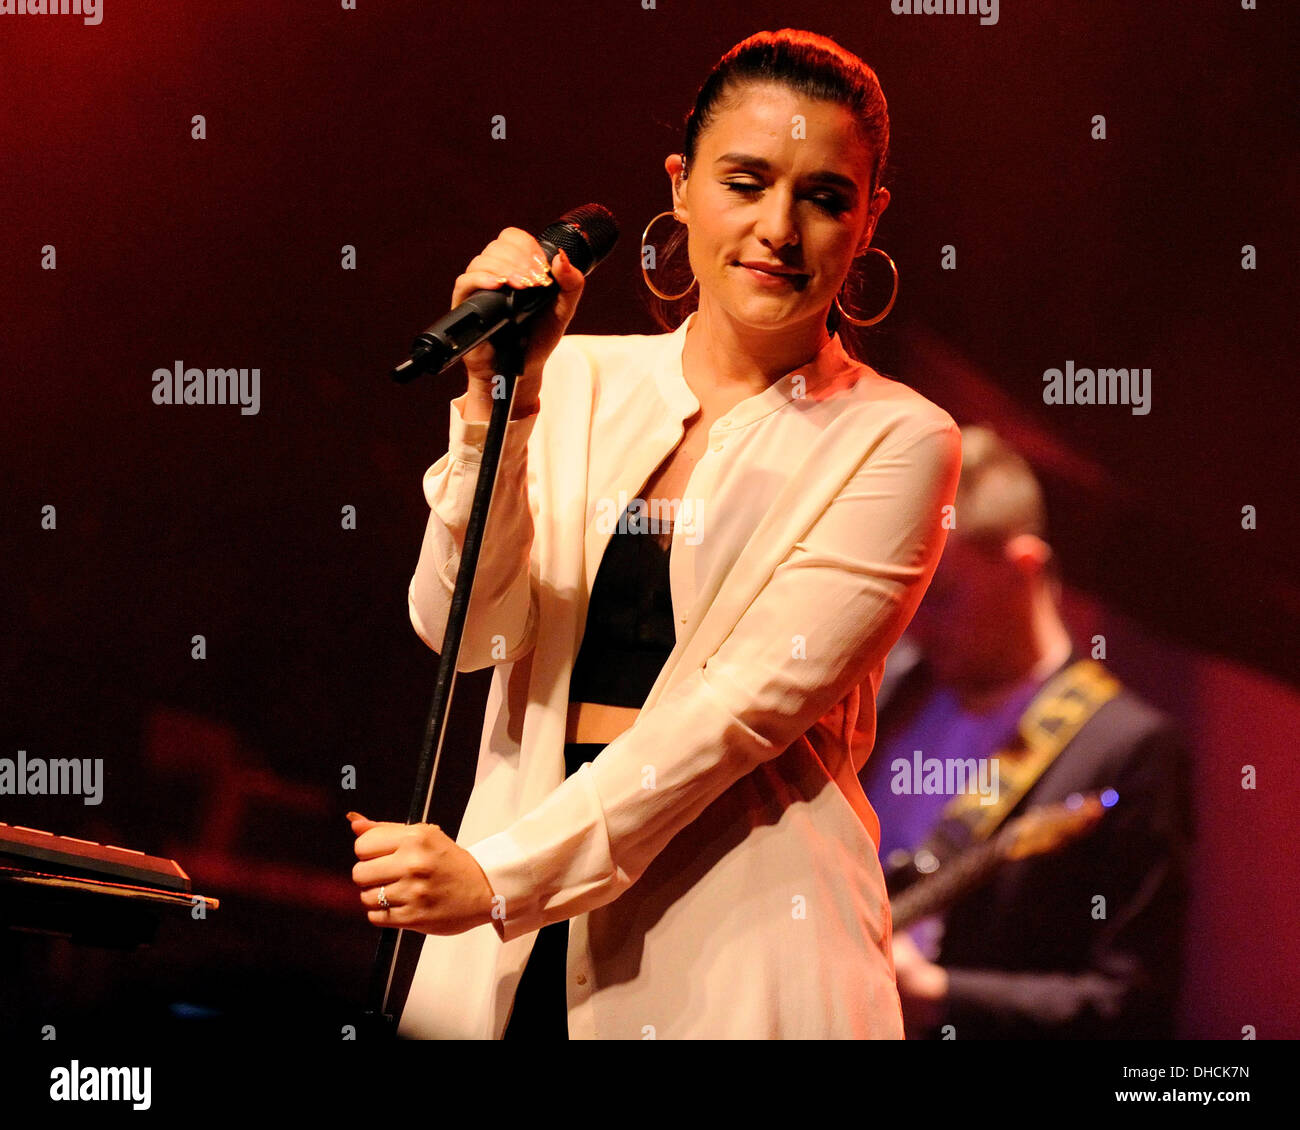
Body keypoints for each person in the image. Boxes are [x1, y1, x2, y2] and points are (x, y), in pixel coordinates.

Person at [349, 28, 961, 1039]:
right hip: (500, 941)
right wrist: (495, 397)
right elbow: (463, 630)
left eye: (823, 196)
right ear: (678, 186)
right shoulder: (573, 378)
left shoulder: (898, 439)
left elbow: (732, 713)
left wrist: (500, 875)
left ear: (870, 220)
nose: (778, 227)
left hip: (746, 948)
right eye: (746, 180)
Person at [861, 426, 1193, 1039]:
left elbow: (1132, 1004)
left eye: (943, 597)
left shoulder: (1128, 749)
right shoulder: (893, 690)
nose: (917, 627)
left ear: (1024, 568)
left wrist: (941, 996)